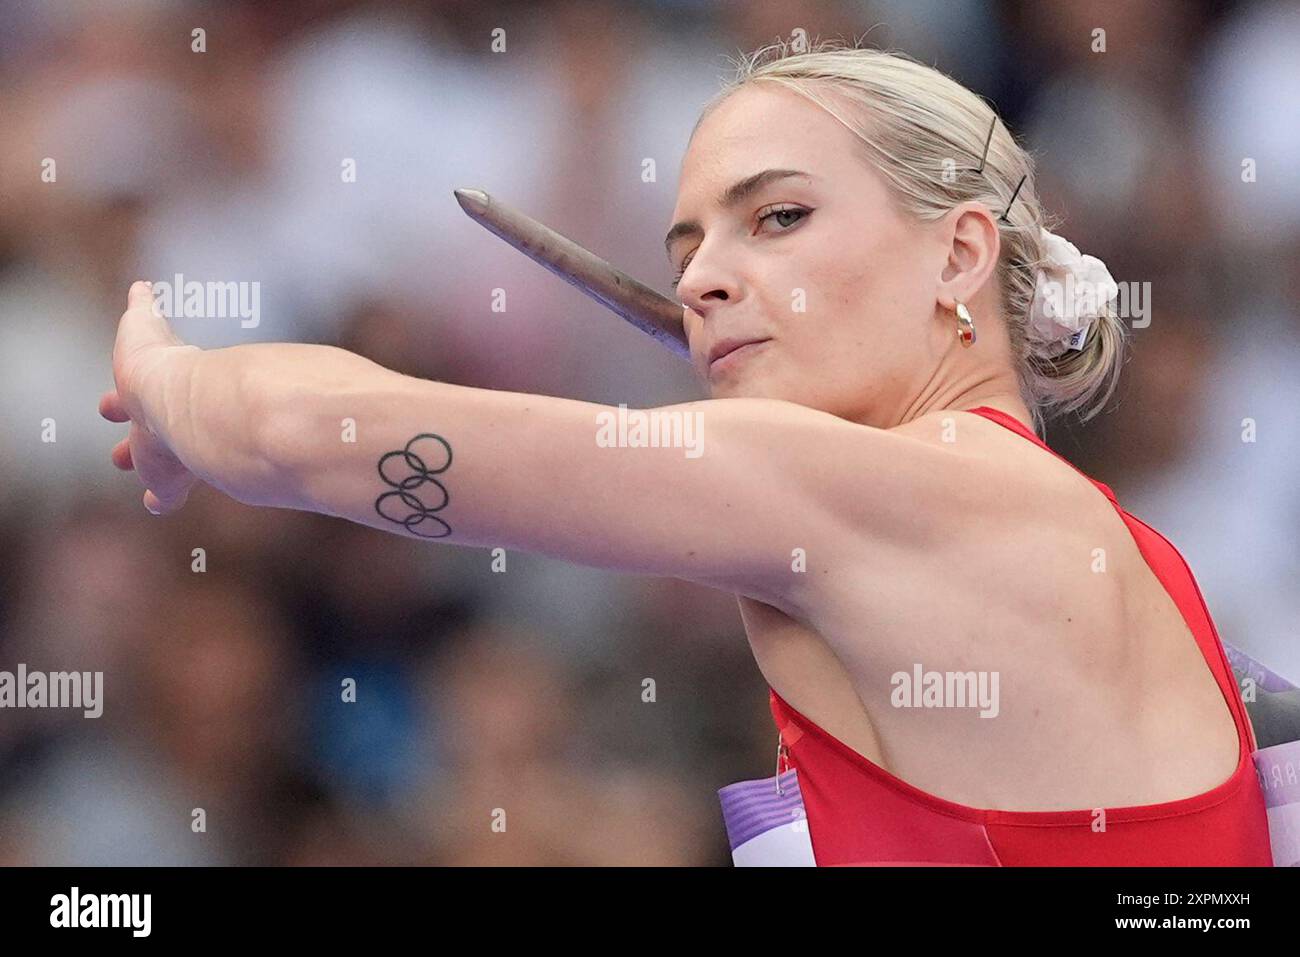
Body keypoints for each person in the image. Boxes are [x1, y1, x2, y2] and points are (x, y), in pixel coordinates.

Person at [98, 40, 1272, 866]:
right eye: (685, 245)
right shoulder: (1131, 558)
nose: (703, 278)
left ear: (961, 254)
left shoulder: (888, 491)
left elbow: (313, 438)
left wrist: (164, 374)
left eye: (777, 219)